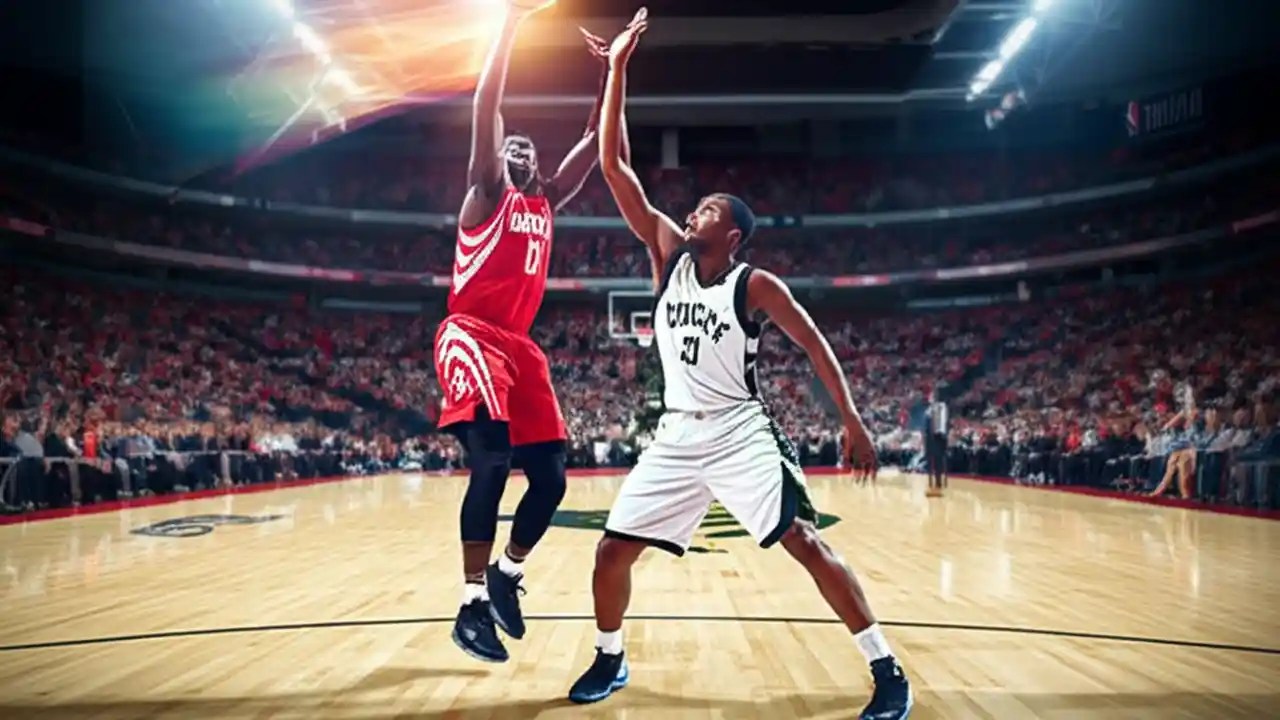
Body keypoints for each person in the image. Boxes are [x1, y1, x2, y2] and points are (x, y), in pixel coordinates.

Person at [567, 12, 913, 719]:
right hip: (675, 435)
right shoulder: (667, 255)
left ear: (730, 232)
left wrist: (849, 419)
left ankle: (887, 669)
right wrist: (618, 68)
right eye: (691, 209)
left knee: (803, 541)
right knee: (609, 556)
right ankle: (611, 658)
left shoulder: (752, 283)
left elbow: (814, 341)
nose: (689, 214)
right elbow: (615, 168)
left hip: (737, 430)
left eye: (705, 210)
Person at [431, 0, 606, 663]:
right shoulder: (486, 189)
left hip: (519, 346)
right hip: (471, 333)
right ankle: (471, 604)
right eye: (509, 147)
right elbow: (487, 109)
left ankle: (507, 573)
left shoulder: (547, 201)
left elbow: (595, 143)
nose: (516, 151)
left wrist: (610, 74)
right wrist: (508, 27)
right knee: (494, 463)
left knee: (553, 478)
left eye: (525, 149)